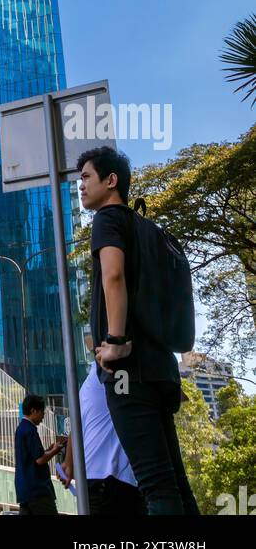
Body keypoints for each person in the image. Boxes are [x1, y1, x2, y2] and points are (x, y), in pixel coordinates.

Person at [77, 146, 199, 516]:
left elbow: (113, 275)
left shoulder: (109, 219)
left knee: (155, 485)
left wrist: (114, 342)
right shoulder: (148, 228)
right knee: (175, 483)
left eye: (86, 177)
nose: (80, 185)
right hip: (161, 367)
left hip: (128, 371)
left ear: (111, 181)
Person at [61, 359, 146, 515]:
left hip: (95, 482)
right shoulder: (113, 371)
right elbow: (127, 409)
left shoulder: (86, 385)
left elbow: (76, 425)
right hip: (112, 480)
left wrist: (68, 462)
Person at [15, 394, 66, 515]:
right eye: (42, 412)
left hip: (24, 491)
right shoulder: (30, 430)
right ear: (33, 411)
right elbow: (40, 460)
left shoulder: (20, 429)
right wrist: (55, 450)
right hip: (38, 491)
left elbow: (33, 456)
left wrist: (49, 449)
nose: (43, 416)